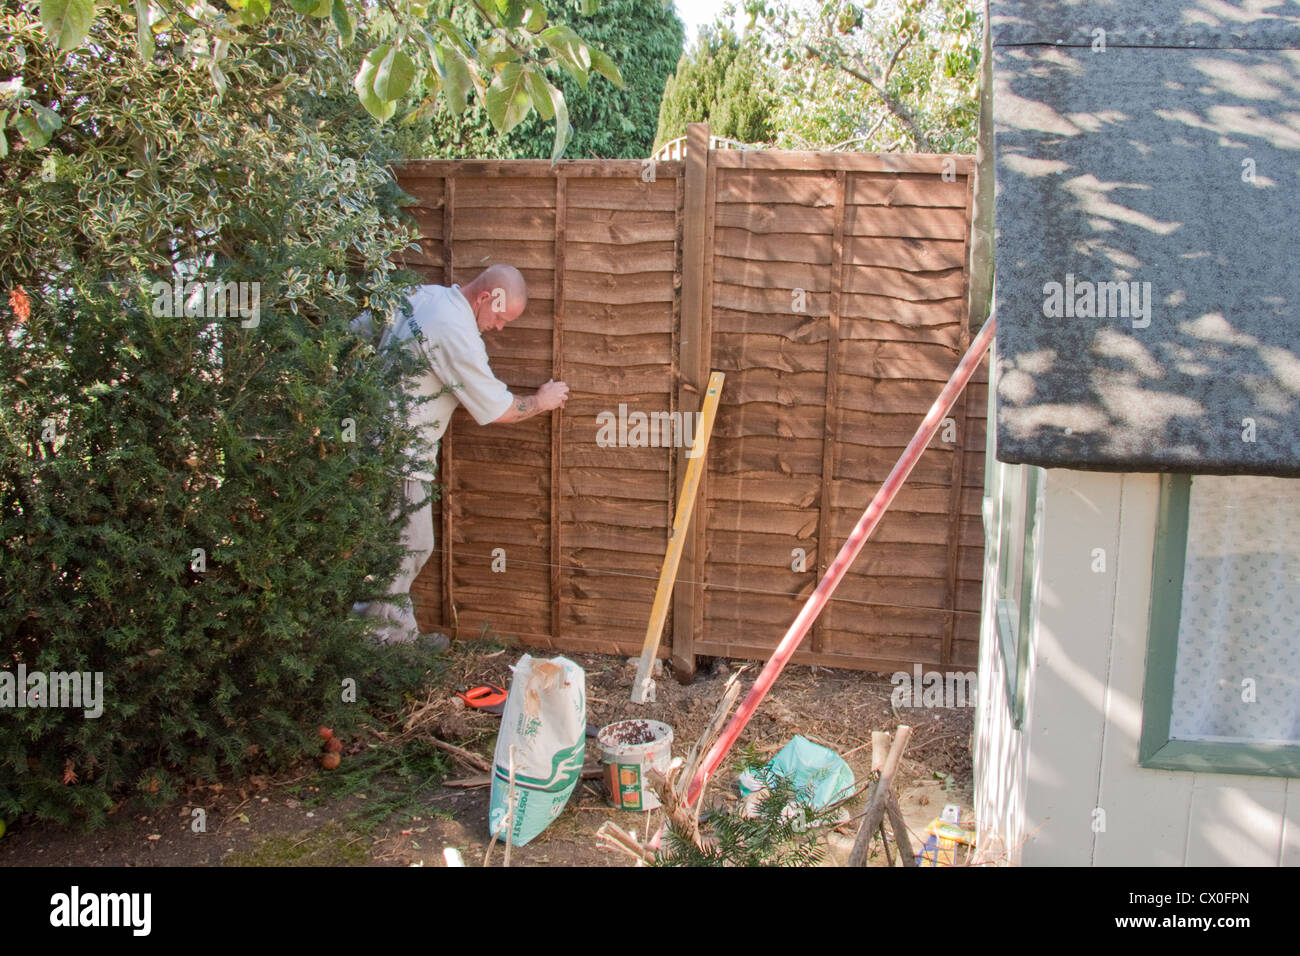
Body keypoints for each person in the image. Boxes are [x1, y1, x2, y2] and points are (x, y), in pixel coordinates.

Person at [353, 264, 569, 645]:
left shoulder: (423, 295)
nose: (499, 328)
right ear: (486, 298)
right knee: (405, 548)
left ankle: (394, 637)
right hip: (399, 457)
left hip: (373, 445)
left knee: (399, 546)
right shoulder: (455, 331)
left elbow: (359, 331)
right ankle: (376, 648)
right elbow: (499, 409)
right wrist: (541, 400)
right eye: (500, 318)